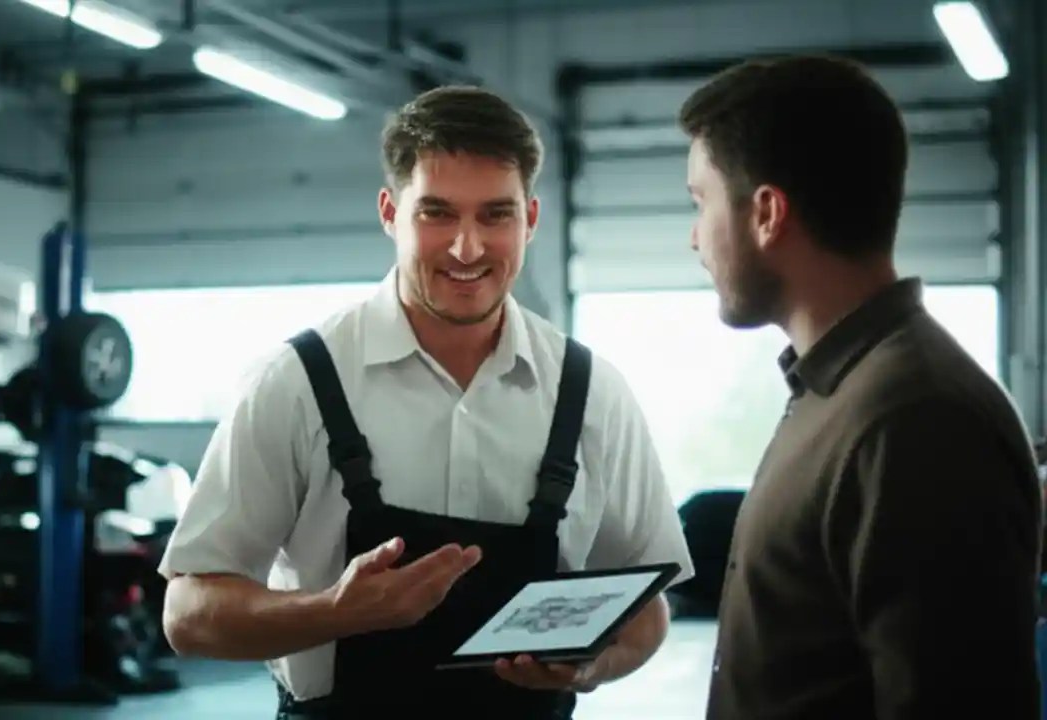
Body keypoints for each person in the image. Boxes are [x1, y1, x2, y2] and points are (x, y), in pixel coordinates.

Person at [159, 85, 694, 719]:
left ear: (531, 219)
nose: (467, 248)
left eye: (495, 215)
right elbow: (188, 614)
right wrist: (335, 612)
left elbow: (648, 604)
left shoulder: (591, 393)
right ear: (390, 212)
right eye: (436, 213)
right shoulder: (297, 381)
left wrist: (594, 665)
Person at [679, 54, 1043, 719]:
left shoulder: (917, 419)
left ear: (767, 213)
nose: (693, 238)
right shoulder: (839, 392)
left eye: (700, 201)